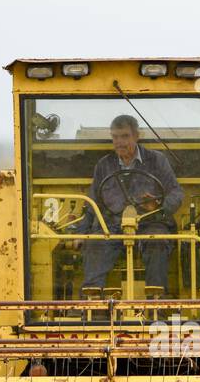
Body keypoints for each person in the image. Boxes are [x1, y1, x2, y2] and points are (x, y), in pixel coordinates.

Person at [73, 114, 183, 293]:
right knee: (94, 244)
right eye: (115, 137)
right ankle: (93, 305)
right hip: (112, 225)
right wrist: (81, 233)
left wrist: (158, 206)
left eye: (124, 136)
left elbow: (176, 193)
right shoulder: (104, 165)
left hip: (150, 222)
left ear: (136, 136)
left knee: (158, 242)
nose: (119, 142)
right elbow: (93, 202)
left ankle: (157, 303)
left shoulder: (157, 160)